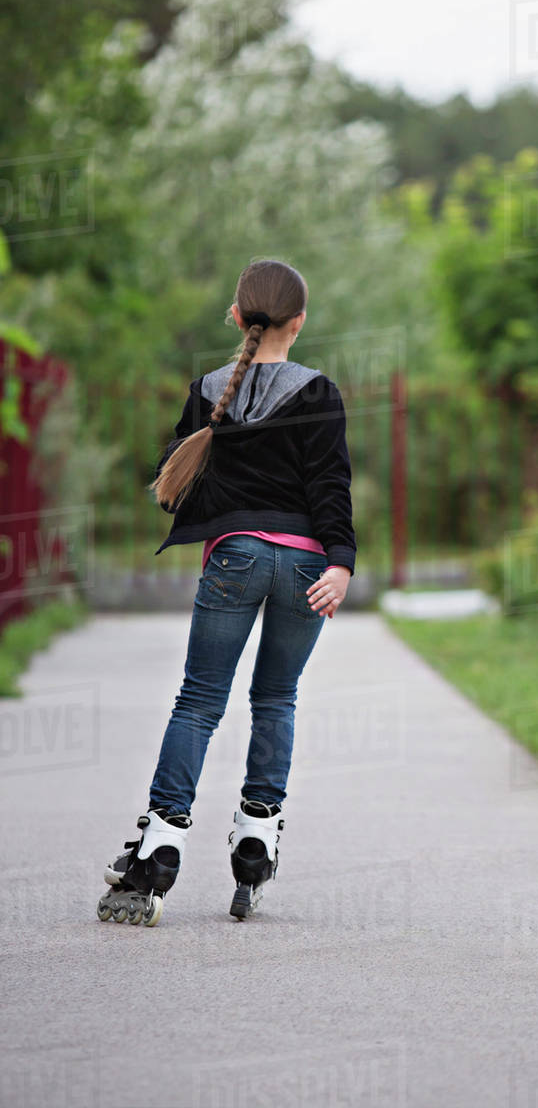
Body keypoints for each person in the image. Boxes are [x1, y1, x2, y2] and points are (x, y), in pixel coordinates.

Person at [96, 257, 356, 925]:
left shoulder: (210, 389)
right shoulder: (320, 392)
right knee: (276, 698)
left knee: (199, 701)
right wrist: (341, 564)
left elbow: (175, 484)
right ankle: (254, 843)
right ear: (300, 323)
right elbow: (331, 487)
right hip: (306, 567)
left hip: (235, 559)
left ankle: (156, 853)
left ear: (238, 317)